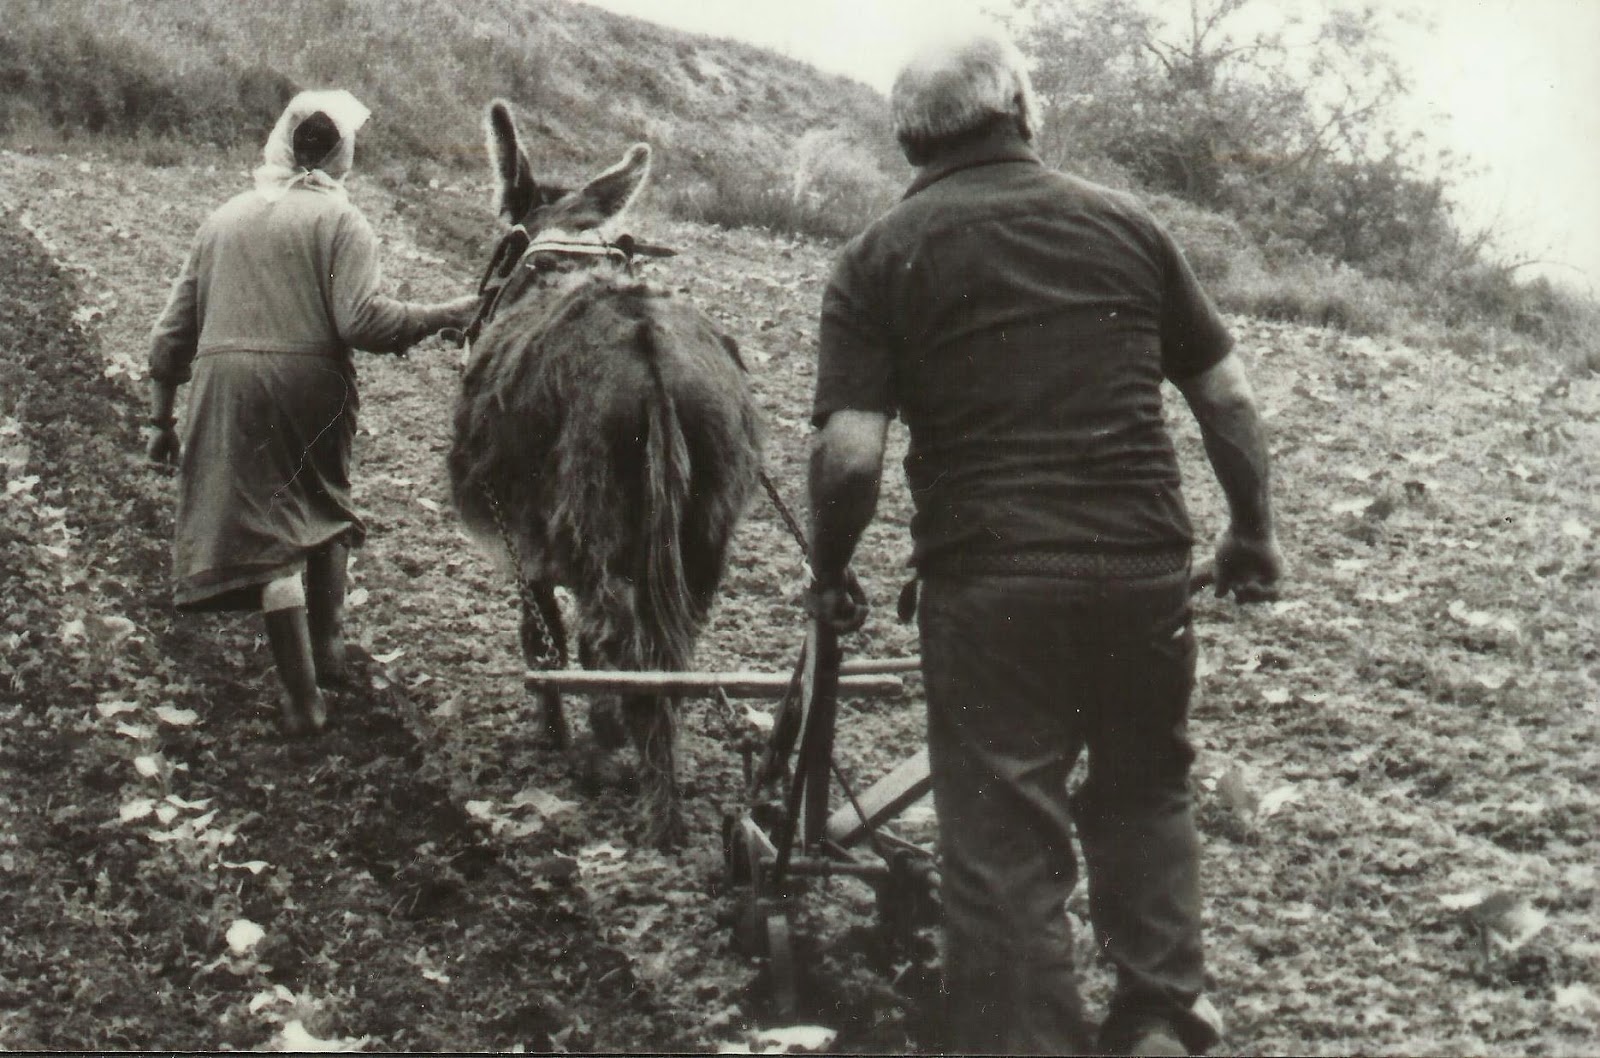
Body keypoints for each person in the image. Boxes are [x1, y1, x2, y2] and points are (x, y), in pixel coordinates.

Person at [805, 26, 1284, 1057]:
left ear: (908, 145)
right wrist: (1250, 533)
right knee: (1142, 784)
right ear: (1022, 110)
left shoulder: (878, 257)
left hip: (992, 580)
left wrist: (829, 571)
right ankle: (1159, 1008)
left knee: (1002, 826)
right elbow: (1227, 395)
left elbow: (849, 455)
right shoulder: (1123, 224)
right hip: (1140, 566)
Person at [144, 89, 477, 736]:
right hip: (311, 388)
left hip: (228, 387)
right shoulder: (341, 221)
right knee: (321, 504)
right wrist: (446, 314)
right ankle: (328, 652)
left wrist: (159, 422)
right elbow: (362, 322)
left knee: (267, 538)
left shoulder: (224, 219)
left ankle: (302, 698)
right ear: (341, 155)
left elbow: (169, 336)